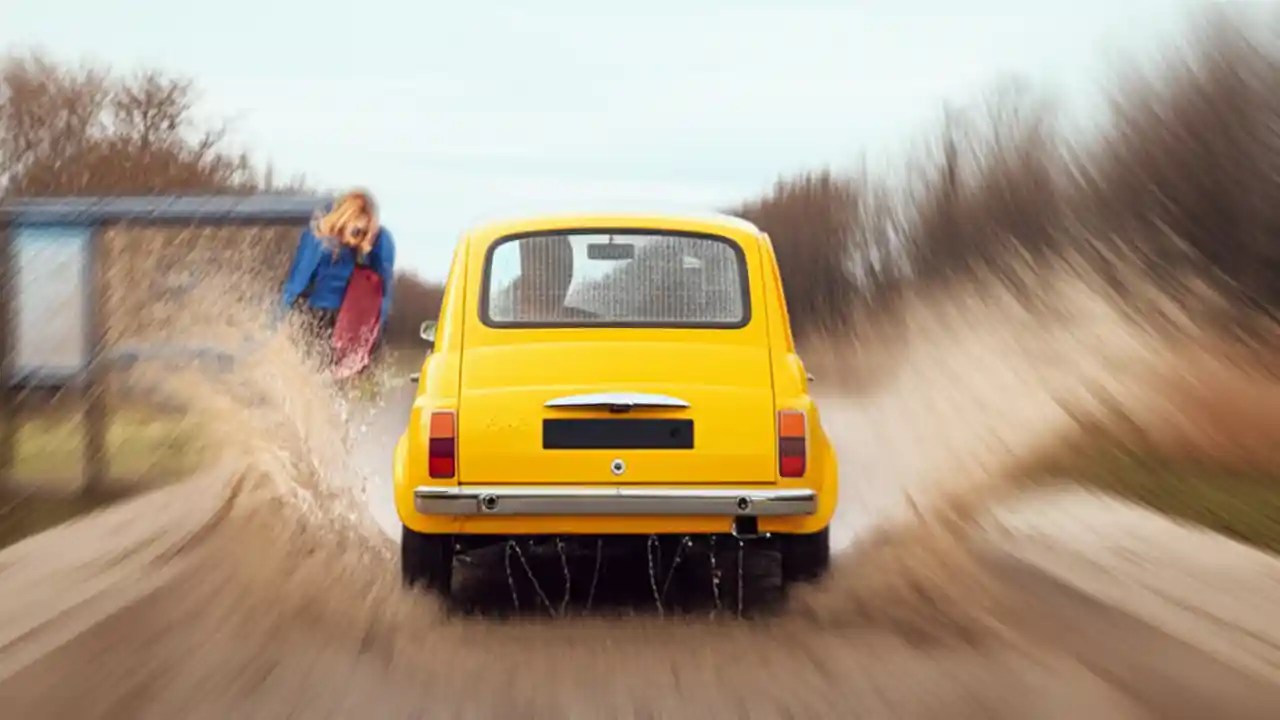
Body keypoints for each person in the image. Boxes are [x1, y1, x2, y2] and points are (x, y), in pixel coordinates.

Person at [279, 190, 395, 369]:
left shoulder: (375, 245)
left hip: (347, 323)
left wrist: (376, 332)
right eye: (357, 231)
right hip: (314, 318)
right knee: (311, 371)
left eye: (365, 232)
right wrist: (277, 321)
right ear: (345, 218)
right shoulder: (320, 239)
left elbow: (383, 290)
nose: (358, 239)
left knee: (329, 376)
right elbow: (296, 283)